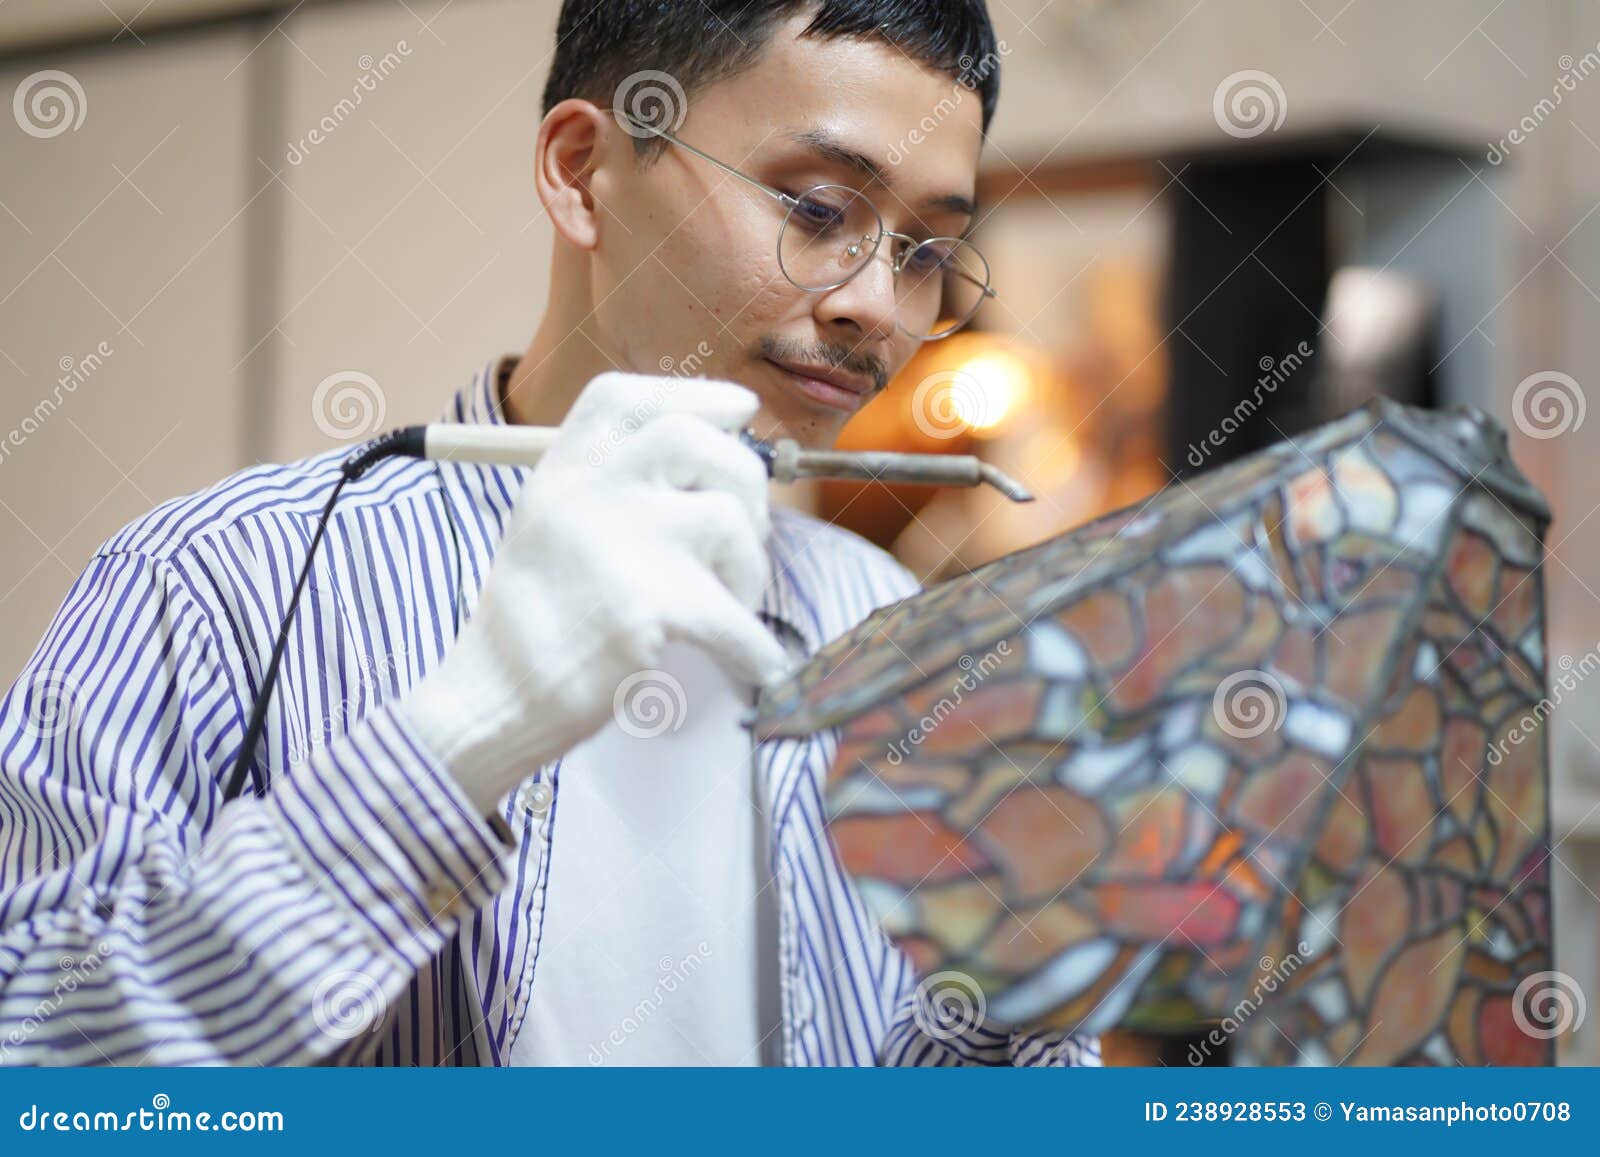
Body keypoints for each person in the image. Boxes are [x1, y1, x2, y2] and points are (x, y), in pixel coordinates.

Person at [0, 0, 1099, 1067]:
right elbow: (41, 1069)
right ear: (582, 172)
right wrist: (465, 733)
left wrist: (1037, 963)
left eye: (923, 251)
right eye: (816, 209)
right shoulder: (219, 581)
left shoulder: (907, 644)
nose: (876, 306)